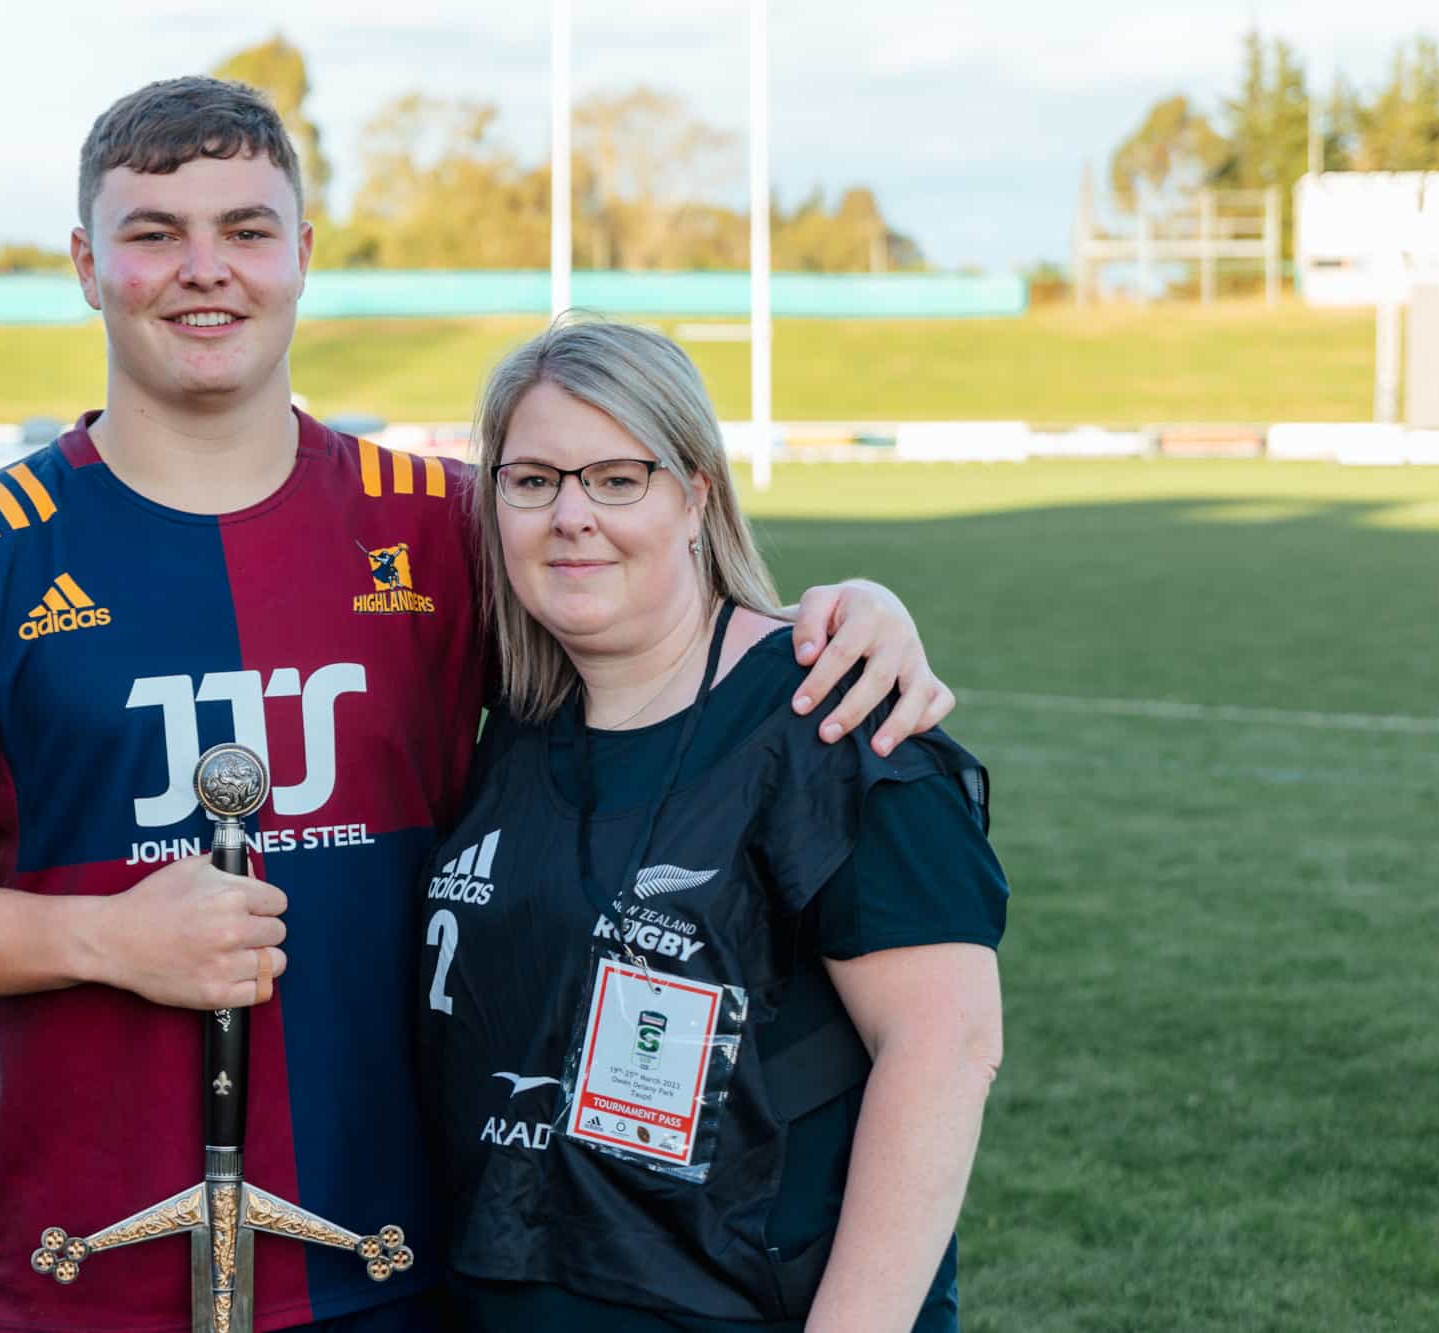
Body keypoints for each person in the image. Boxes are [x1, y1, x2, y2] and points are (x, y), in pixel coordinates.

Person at [0, 78, 956, 1333]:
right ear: (84, 264)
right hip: (87, 1265)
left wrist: (843, 611)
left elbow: (653, 625)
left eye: (244, 230)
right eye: (153, 233)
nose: (203, 269)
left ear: (301, 254)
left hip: (413, 1257)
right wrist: (103, 939)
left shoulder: (441, 525)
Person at [417, 319, 1007, 1332]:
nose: (570, 516)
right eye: (533, 481)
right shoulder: (509, 722)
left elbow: (945, 1045)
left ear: (695, 494)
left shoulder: (832, 717)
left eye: (617, 479)